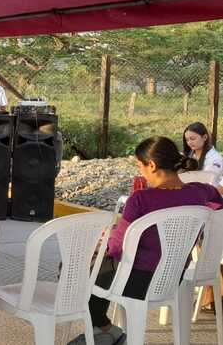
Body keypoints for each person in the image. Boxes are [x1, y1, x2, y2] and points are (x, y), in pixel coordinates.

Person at [67, 136, 223, 345]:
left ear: (152, 165)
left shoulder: (141, 199)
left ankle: (106, 330)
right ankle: (102, 332)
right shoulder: (200, 191)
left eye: (140, 166)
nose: (140, 171)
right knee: (95, 268)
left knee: (75, 268)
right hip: (171, 278)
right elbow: (218, 206)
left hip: (136, 282)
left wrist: (104, 242)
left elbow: (116, 248)